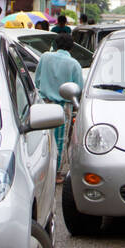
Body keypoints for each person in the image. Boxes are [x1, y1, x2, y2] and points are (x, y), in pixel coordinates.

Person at [35, 33, 84, 182]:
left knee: (41, 139)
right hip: (63, 106)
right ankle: (55, 173)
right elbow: (78, 88)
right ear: (72, 47)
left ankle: (41, 169)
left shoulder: (45, 57)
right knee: (60, 140)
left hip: (43, 103)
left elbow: (37, 80)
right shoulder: (74, 64)